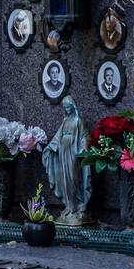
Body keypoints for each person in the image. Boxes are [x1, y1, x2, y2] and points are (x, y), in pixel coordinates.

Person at [41, 96, 91, 224]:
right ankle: (69, 206)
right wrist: (51, 147)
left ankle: (77, 206)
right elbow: (58, 136)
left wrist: (83, 148)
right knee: (64, 180)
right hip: (63, 152)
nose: (67, 110)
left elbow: (85, 136)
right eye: (65, 108)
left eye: (68, 107)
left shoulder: (78, 120)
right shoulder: (65, 120)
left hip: (73, 152)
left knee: (73, 178)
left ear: (73, 106)